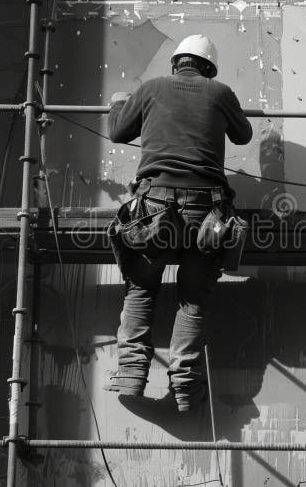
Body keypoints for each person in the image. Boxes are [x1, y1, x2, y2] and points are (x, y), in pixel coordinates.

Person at [105, 34, 252, 412]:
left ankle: (131, 377)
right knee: (192, 298)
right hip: (207, 212)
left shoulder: (151, 88)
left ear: (176, 63)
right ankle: (185, 387)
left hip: (154, 209)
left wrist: (118, 104)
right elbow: (243, 134)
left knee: (142, 288)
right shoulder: (220, 92)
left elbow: (119, 131)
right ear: (208, 68)